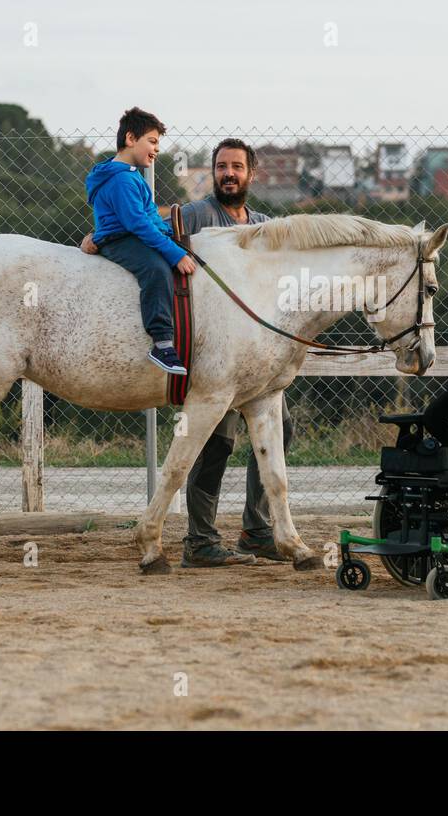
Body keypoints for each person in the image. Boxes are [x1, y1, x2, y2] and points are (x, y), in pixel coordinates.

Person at [82, 138, 292, 567]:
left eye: (236, 167)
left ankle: (256, 528)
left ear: (252, 174)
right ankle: (201, 539)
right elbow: (148, 222)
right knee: (215, 443)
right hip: (214, 355)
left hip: (254, 358)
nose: (228, 174)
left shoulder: (265, 226)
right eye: (220, 167)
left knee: (279, 430)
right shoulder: (196, 215)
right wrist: (103, 234)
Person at [84, 106, 196, 375]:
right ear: (131, 139)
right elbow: (137, 223)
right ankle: (162, 342)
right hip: (120, 239)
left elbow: (151, 219)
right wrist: (173, 253)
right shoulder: (121, 179)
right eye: (153, 141)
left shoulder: (131, 175)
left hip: (133, 234)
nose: (156, 149)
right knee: (156, 269)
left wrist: (171, 239)